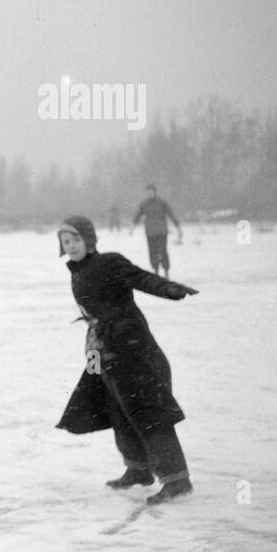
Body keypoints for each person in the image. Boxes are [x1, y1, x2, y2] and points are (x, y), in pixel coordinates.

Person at [54, 215, 198, 505]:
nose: (70, 246)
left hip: (131, 347)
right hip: (100, 349)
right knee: (115, 407)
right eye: (65, 241)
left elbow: (140, 277)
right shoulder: (77, 272)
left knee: (147, 409)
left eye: (75, 240)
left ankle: (176, 479)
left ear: (89, 239)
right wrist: (93, 360)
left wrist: (167, 289)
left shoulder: (108, 262)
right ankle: (138, 469)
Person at [132, 184, 183, 278]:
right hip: (150, 232)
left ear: (155, 192)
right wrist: (132, 226)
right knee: (152, 252)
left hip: (162, 231)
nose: (149, 193)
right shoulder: (144, 204)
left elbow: (171, 214)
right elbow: (137, 215)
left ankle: (166, 270)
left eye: (151, 191)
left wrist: (177, 225)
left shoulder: (162, 203)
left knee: (163, 251)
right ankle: (156, 270)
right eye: (148, 192)